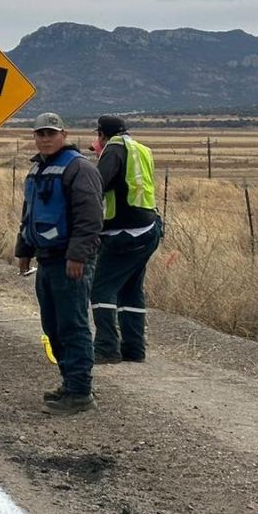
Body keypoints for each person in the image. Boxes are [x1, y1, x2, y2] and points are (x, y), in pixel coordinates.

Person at [15, 113, 104, 415]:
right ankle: (70, 383)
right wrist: (23, 249)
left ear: (63, 134)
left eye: (51, 133)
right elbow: (29, 214)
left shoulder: (79, 169)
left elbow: (90, 217)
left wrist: (78, 256)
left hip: (71, 262)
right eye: (40, 133)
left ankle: (80, 392)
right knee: (52, 326)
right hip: (47, 260)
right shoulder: (38, 170)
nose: (45, 138)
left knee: (72, 325)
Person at [91, 115, 162, 363]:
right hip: (148, 228)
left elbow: (97, 185)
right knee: (131, 291)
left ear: (102, 134)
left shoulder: (114, 149)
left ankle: (106, 348)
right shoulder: (142, 149)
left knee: (101, 289)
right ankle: (133, 349)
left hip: (123, 232)